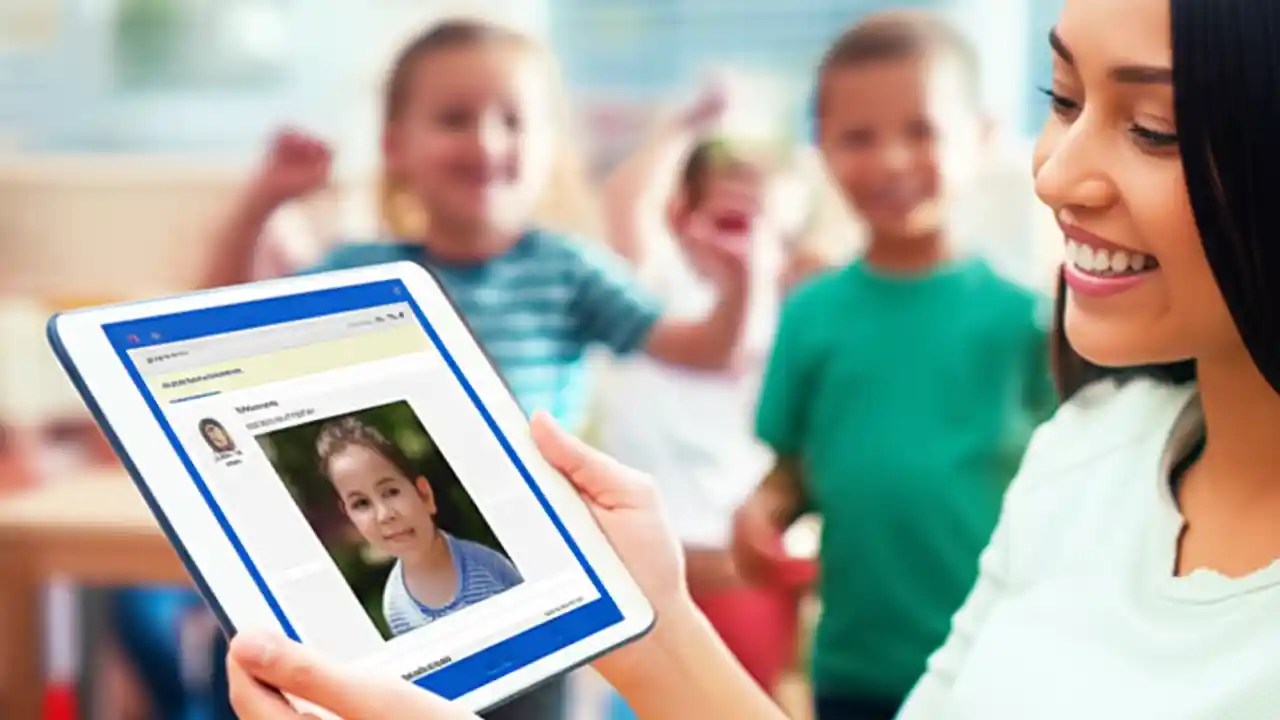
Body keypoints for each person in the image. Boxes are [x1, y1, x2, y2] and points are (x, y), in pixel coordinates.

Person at [224, 0, 1280, 717]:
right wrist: (650, 618)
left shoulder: (572, 263)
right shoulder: (1089, 450)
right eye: (1058, 100)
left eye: (1150, 127)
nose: (1054, 173)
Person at [203, 18, 752, 720]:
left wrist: (742, 279)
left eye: (514, 120)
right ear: (397, 147)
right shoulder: (359, 272)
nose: (488, 141)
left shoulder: (567, 268)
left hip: (531, 586)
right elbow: (221, 326)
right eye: (455, 119)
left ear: (546, 145)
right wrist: (263, 201)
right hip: (391, 609)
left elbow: (703, 349)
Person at [732, 12, 1056, 718]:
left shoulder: (1028, 319)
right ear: (821, 150)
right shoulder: (810, 313)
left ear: (981, 136)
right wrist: (763, 509)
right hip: (855, 665)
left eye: (922, 131)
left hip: (997, 663)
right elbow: (792, 471)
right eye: (859, 137)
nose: (892, 160)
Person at [596, 134, 812, 702]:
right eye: (730, 215)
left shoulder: (790, 309)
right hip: (647, 576)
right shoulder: (648, 290)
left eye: (764, 222)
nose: (747, 238)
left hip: (738, 575)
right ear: (678, 217)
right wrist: (687, 123)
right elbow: (623, 200)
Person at [315, 417, 523, 636]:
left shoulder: (488, 565)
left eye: (391, 492)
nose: (385, 515)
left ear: (425, 495)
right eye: (362, 503)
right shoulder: (395, 608)